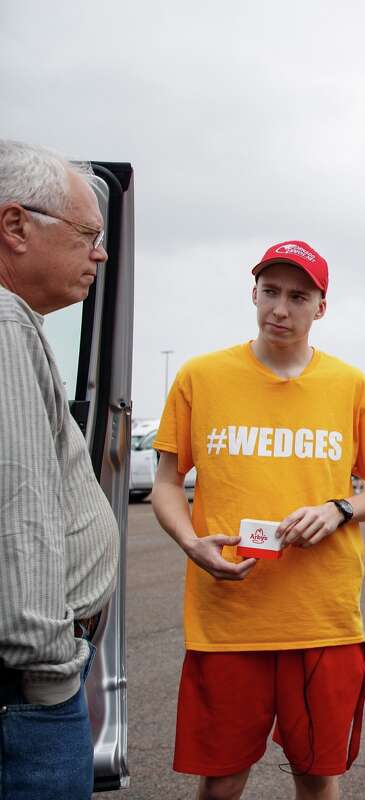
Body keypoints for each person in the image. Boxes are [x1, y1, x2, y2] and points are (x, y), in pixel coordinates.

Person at [150, 241, 365, 800]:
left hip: (321, 617)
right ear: (254, 294)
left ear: (321, 306)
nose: (280, 309)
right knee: (221, 781)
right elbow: (167, 483)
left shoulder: (350, 385)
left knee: (317, 777)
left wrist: (338, 510)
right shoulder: (202, 377)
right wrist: (192, 543)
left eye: (298, 296)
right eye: (269, 293)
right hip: (228, 618)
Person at [0, 140, 119, 799]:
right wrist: (53, 674)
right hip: (27, 699)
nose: (99, 254)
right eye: (86, 235)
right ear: (15, 227)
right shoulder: (5, 323)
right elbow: (20, 517)